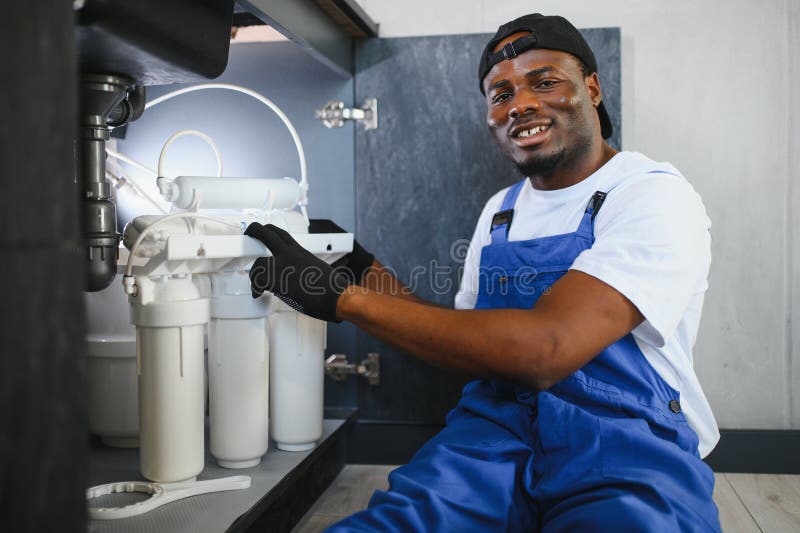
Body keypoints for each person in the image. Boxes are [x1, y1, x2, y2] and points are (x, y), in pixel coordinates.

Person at [244, 13, 722, 532]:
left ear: (592, 88)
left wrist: (343, 300)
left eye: (544, 82)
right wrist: (362, 268)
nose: (520, 104)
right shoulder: (502, 210)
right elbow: (470, 340)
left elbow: (548, 349)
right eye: (500, 94)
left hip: (624, 445)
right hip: (492, 437)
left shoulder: (649, 193)